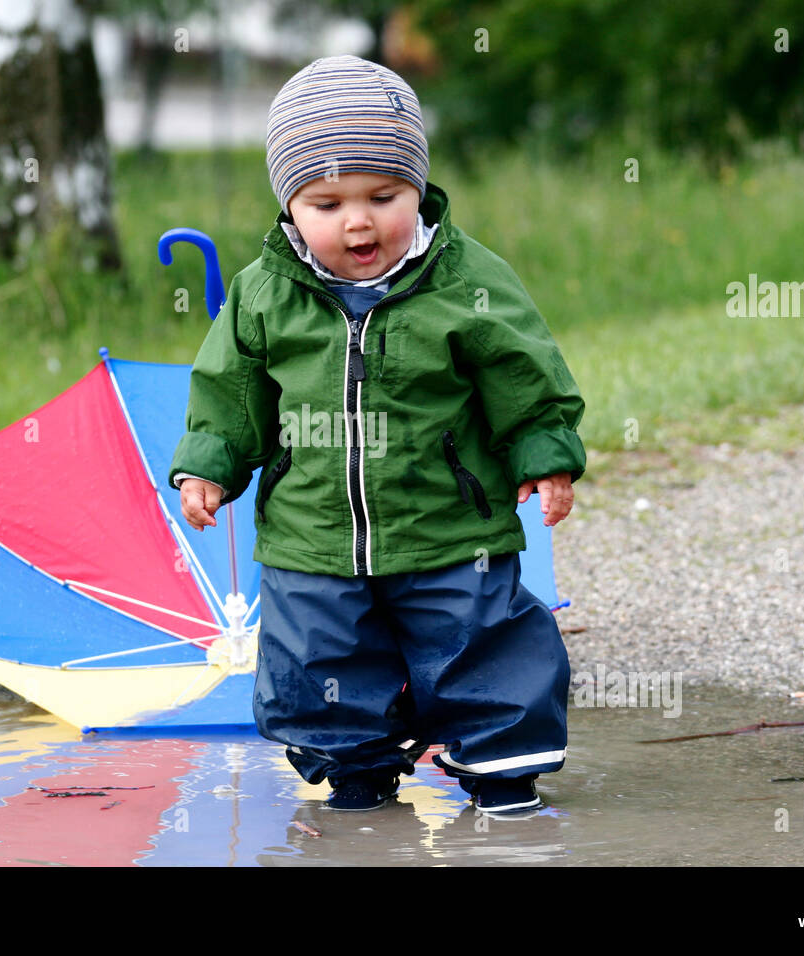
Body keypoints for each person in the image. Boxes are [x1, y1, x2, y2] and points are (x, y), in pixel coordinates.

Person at [168, 54, 586, 815]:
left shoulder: (464, 279)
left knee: (478, 640)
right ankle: (356, 768)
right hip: (312, 532)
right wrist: (212, 463)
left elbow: (523, 371)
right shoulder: (264, 293)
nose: (357, 221)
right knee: (319, 657)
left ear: (417, 189)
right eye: (326, 203)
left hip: (450, 524)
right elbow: (231, 390)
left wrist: (545, 454)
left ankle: (502, 768)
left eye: (382, 196)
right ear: (289, 205)